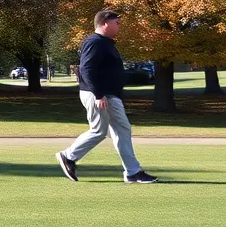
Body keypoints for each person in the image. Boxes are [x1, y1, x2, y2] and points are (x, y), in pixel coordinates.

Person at [56, 10, 157, 184]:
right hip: (99, 95)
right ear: (105, 23)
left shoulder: (106, 43)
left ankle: (133, 172)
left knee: (122, 130)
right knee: (99, 131)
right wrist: (98, 94)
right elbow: (86, 69)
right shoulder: (94, 42)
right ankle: (68, 156)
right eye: (116, 22)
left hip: (108, 95)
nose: (119, 26)